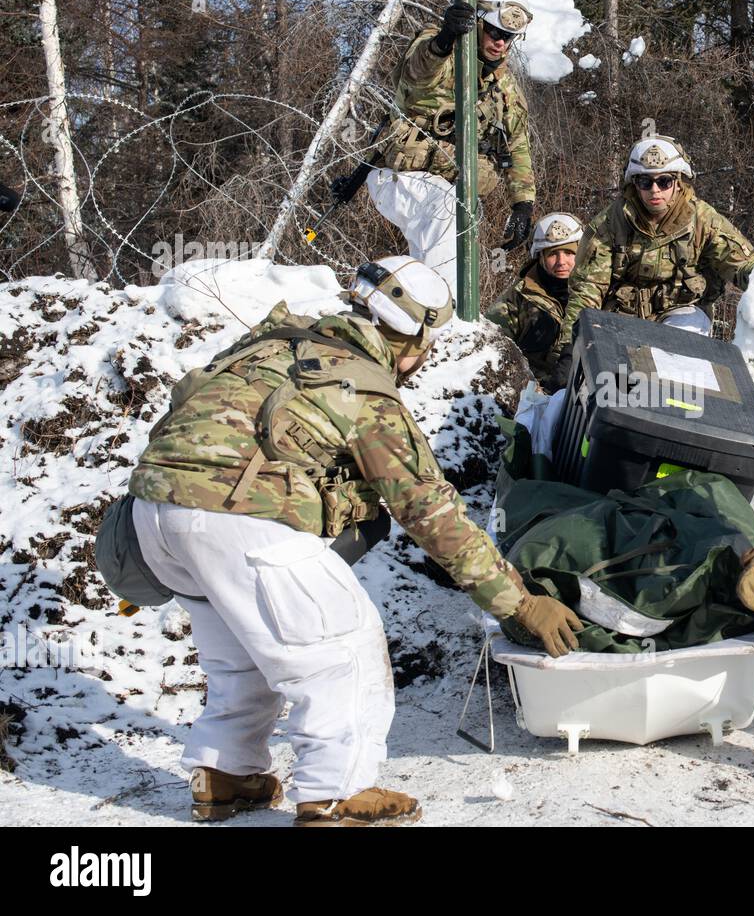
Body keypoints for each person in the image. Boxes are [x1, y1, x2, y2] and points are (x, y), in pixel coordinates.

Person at [126, 255, 581, 826]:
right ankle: (336, 792)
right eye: (427, 342)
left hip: (154, 512)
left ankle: (227, 774)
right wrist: (519, 602)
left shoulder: (274, 346)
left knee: (241, 655)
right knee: (346, 647)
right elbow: (428, 509)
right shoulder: (359, 385)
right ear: (412, 337)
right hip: (241, 517)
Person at [547, 135, 754, 370]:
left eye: (664, 181)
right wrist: (570, 348)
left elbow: (744, 266)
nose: (655, 190)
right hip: (621, 319)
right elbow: (587, 290)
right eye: (645, 183)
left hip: (682, 315)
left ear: (678, 181)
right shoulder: (610, 223)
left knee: (676, 362)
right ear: (634, 184)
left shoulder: (703, 221)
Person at [367, 0, 535, 273]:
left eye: (508, 36)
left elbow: (517, 144)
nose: (500, 42)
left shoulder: (504, 86)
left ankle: (423, 297)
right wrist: (445, 39)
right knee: (447, 209)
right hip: (399, 177)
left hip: (450, 184)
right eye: (494, 32)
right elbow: (416, 73)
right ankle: (445, 305)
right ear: (479, 25)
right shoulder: (441, 49)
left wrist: (523, 205)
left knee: (459, 219)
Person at [486, 212, 581, 389]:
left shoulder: (598, 293)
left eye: (569, 253)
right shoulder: (517, 300)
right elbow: (489, 349)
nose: (562, 262)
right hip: (531, 394)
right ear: (541, 257)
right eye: (553, 254)